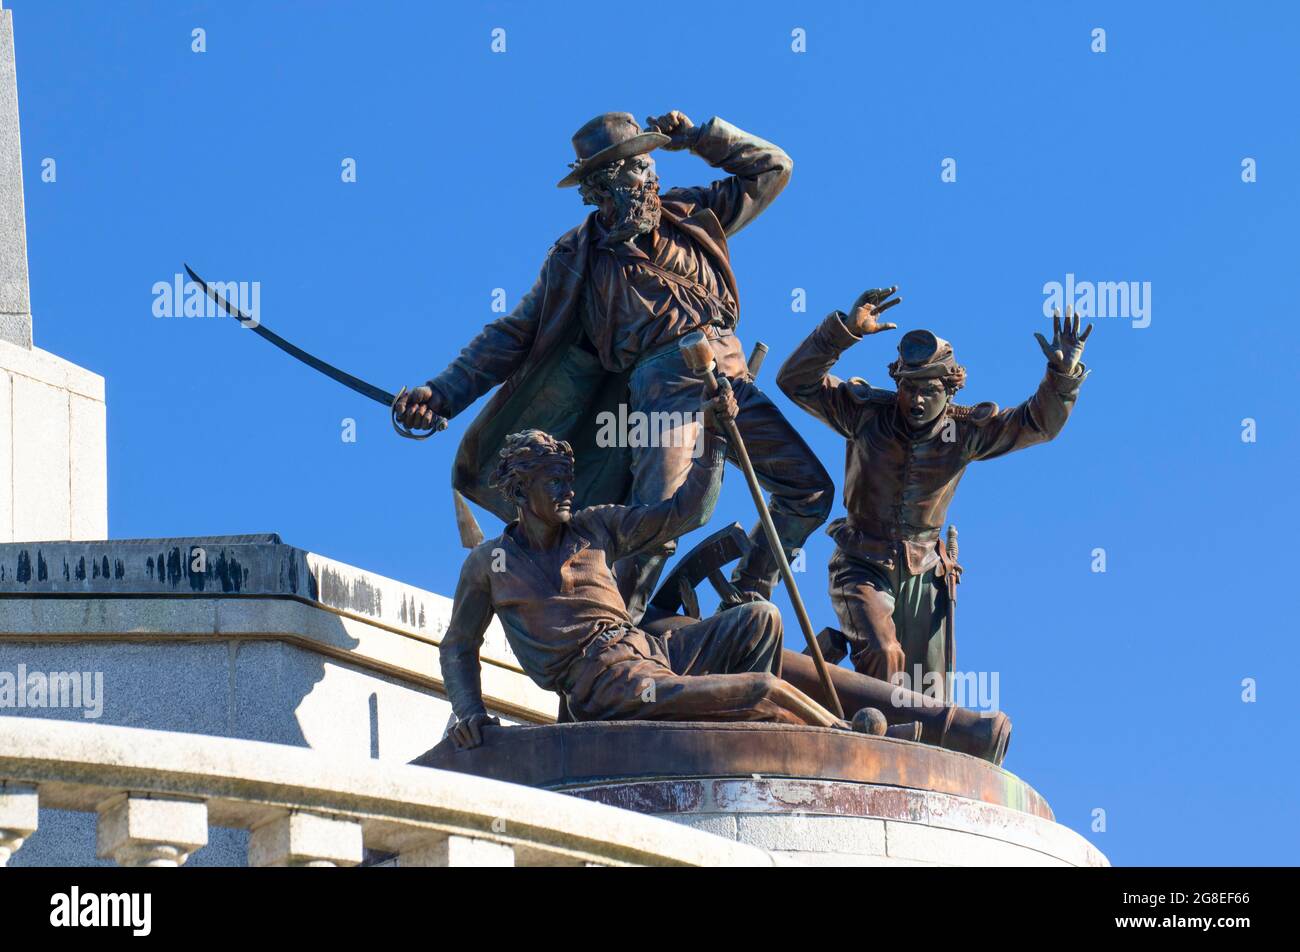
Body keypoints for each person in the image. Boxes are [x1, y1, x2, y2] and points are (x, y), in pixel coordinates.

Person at [395, 110, 833, 621]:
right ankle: (618, 635)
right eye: (633, 175)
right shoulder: (577, 259)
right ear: (601, 189)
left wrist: (697, 138)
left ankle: (753, 584)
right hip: (663, 395)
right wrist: (442, 393)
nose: (650, 181)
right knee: (656, 524)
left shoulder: (693, 213)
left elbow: (774, 168)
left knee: (808, 489)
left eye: (649, 170)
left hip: (730, 384)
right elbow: (512, 335)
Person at [438, 379, 847, 749]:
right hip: (605, 682)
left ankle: (743, 737)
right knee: (761, 689)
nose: (568, 491)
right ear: (522, 489)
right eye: (554, 482)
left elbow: (685, 513)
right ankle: (841, 736)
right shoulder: (489, 565)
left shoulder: (593, 527)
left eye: (569, 479)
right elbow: (458, 644)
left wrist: (711, 434)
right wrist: (469, 712)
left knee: (761, 618)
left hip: (651, 651)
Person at [777, 286, 1092, 695]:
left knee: (928, 696)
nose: (917, 399)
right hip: (862, 562)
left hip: (925, 574)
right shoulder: (866, 414)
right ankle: (865, 732)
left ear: (950, 389)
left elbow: (1037, 424)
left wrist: (1061, 378)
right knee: (884, 655)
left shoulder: (963, 433)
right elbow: (794, 381)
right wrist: (842, 332)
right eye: (910, 388)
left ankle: (886, 734)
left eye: (930, 389)